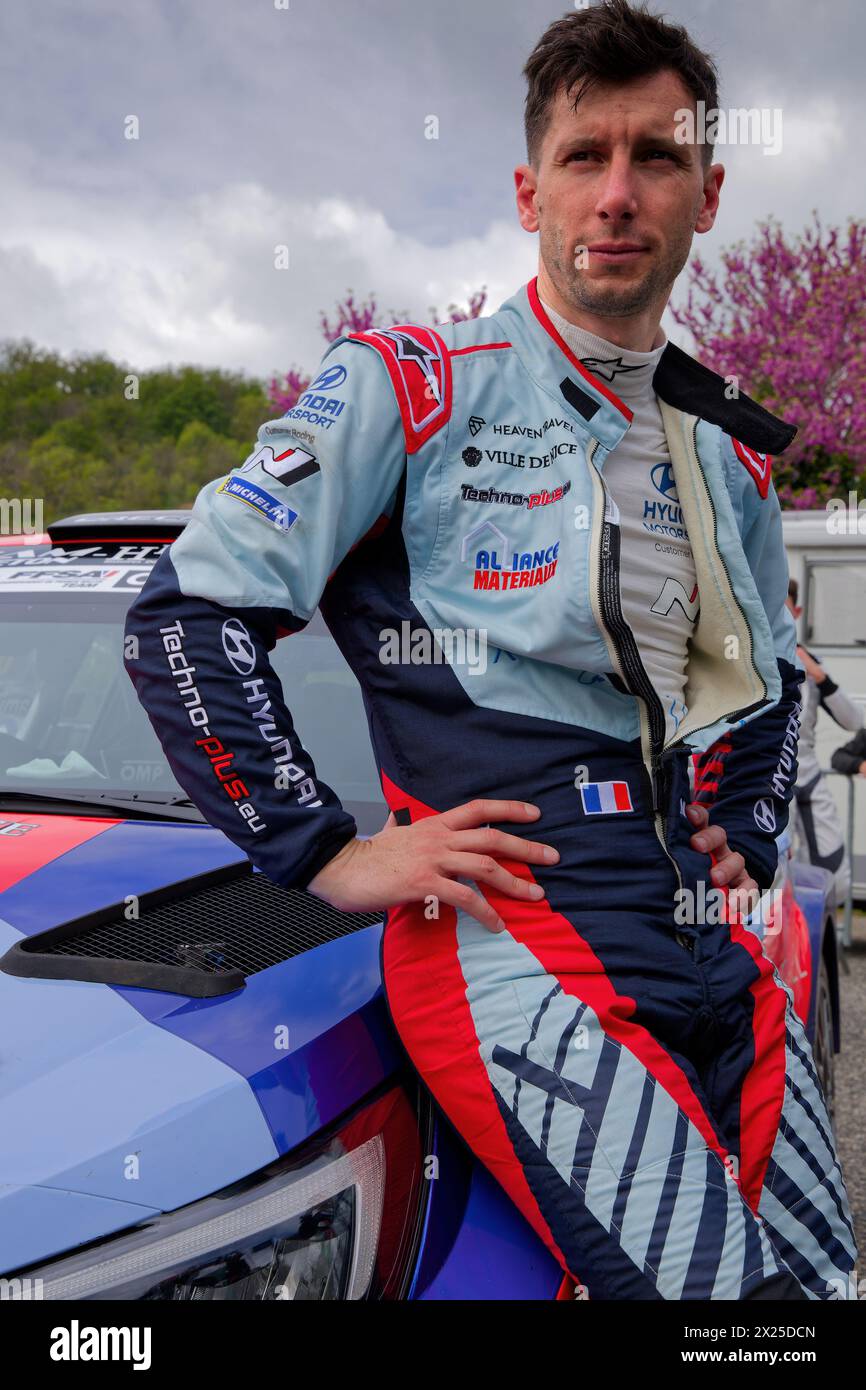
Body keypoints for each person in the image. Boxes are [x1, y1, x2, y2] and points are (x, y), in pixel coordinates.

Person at [125, 0, 855, 1300]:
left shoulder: (725, 441)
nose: (617, 194)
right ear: (531, 188)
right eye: (585, 157)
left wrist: (743, 823)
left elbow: (771, 679)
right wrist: (326, 853)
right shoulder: (410, 383)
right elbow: (186, 617)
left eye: (656, 158)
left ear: (708, 191)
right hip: (518, 921)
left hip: (718, 933)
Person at [785, 578, 862, 904]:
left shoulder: (813, 664)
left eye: (786, 609)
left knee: (837, 878)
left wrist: (820, 677)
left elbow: (854, 722)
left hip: (809, 774)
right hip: (769, 778)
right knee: (772, 872)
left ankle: (817, 941)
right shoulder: (748, 657)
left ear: (798, 611)